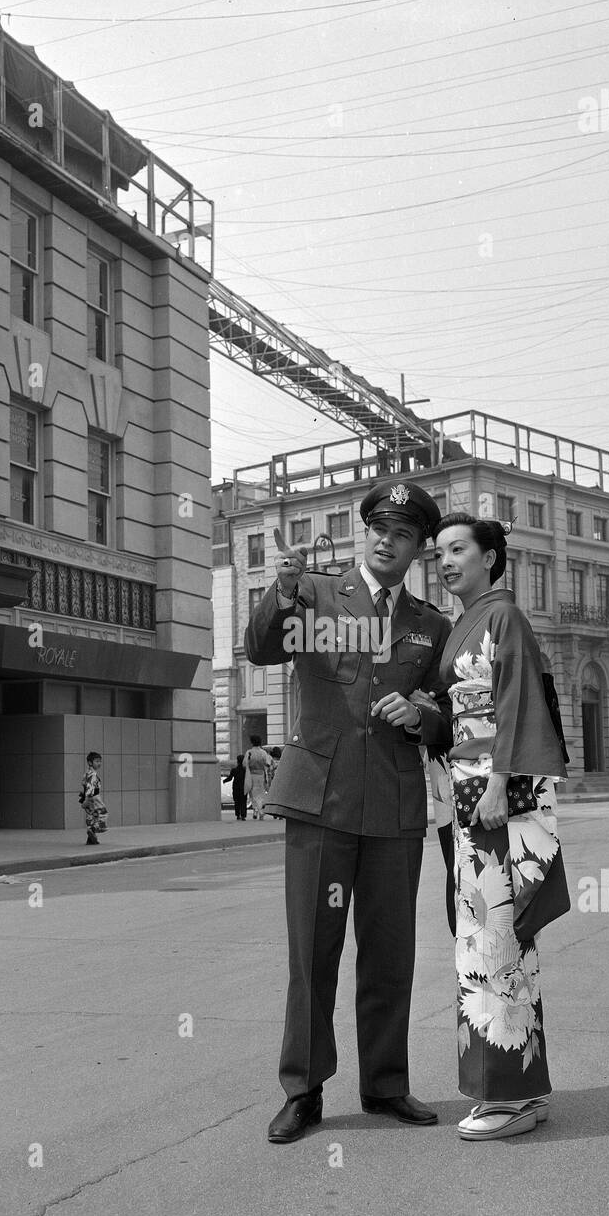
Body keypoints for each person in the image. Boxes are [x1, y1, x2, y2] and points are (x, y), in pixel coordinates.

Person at [245, 480, 453, 1144]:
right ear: (364, 532)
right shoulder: (314, 595)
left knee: (390, 952)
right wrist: (280, 590)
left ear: (419, 546)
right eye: (378, 528)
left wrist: (422, 714)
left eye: (401, 533)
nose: (386, 540)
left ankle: (386, 1085)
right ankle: (303, 1090)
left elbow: (452, 713)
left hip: (393, 806)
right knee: (313, 951)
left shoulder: (430, 623)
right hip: (320, 802)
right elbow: (260, 649)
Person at [434, 513, 570, 1142]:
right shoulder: (470, 622)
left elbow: (515, 702)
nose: (445, 560)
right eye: (439, 552)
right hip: (471, 786)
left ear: (491, 558)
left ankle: (504, 1098)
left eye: (459, 549)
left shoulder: (502, 618)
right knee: (502, 935)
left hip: (494, 790)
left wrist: (497, 781)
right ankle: (529, 1086)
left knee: (492, 937)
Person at [78, 751, 107, 845]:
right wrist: (88, 799)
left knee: (91, 815)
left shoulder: (87, 773)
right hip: (94, 797)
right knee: (102, 814)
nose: (99, 763)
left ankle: (90, 839)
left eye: (100, 761)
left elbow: (84, 785)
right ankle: (93, 829)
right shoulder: (93, 775)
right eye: (97, 761)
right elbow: (90, 787)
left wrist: (84, 796)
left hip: (87, 796)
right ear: (90, 762)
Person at [243, 735, 274, 819]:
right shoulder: (263, 752)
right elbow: (268, 764)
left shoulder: (249, 752)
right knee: (260, 794)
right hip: (261, 775)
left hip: (251, 775)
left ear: (252, 742)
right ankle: (260, 811)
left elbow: (244, 764)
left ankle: (255, 810)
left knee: (252, 794)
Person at [225, 754, 247, 820]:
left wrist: (224, 781)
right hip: (243, 787)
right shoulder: (245, 770)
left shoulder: (234, 770)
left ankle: (238, 815)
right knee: (243, 801)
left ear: (237, 761)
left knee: (237, 801)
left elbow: (230, 778)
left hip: (236, 787)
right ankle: (243, 815)